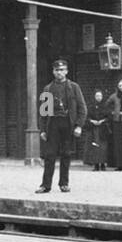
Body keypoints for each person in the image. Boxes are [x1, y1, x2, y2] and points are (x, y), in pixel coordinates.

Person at [37, 58, 87, 193]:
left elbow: (82, 108)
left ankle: (64, 183)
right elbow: (43, 111)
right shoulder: (48, 88)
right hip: (53, 124)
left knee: (66, 154)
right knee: (49, 155)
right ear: (53, 72)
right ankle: (45, 185)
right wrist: (42, 130)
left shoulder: (74, 87)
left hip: (68, 123)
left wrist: (79, 126)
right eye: (57, 70)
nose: (59, 72)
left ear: (66, 71)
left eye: (62, 70)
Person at [84, 90, 111, 171]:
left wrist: (103, 121)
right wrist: (92, 121)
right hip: (93, 129)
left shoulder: (105, 106)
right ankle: (96, 164)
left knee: (103, 147)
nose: (98, 97)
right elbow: (87, 117)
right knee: (95, 146)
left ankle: (103, 164)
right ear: (94, 97)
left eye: (100, 96)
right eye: (97, 96)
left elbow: (109, 117)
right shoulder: (91, 106)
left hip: (103, 129)